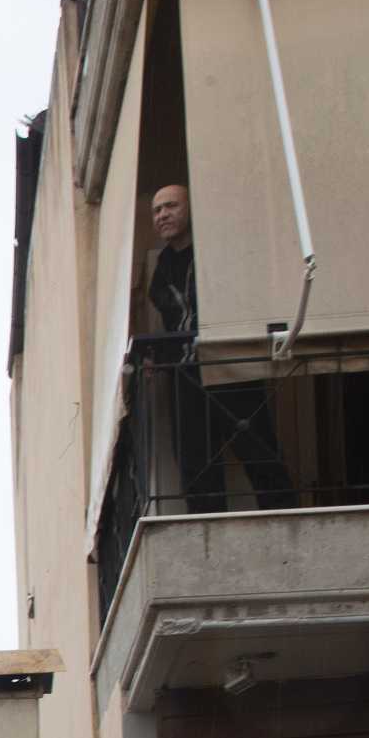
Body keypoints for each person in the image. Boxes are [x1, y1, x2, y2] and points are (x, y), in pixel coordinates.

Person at [144, 183, 298, 512]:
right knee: (194, 460)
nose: (162, 215)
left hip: (227, 363)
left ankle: (284, 517)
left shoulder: (214, 254)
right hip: (186, 374)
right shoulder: (163, 268)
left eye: (171, 206)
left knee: (257, 447)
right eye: (157, 210)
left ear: (190, 209)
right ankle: (206, 529)